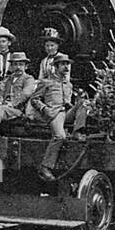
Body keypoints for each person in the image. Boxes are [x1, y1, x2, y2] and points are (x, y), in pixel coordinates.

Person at [0, 51, 37, 165]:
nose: (18, 67)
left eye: (21, 64)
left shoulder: (28, 79)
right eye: (15, 64)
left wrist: (12, 104)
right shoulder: (9, 79)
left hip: (18, 110)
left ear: (25, 66)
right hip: (4, 108)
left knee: (0, 111)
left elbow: (26, 94)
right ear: (11, 66)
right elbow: (1, 93)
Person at [30, 53, 73, 183]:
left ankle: (78, 132)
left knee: (83, 104)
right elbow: (34, 99)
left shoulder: (68, 84)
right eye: (63, 64)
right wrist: (44, 109)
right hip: (54, 113)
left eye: (67, 64)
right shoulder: (46, 82)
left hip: (66, 113)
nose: (66, 67)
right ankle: (45, 167)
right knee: (60, 136)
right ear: (56, 66)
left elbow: (68, 102)